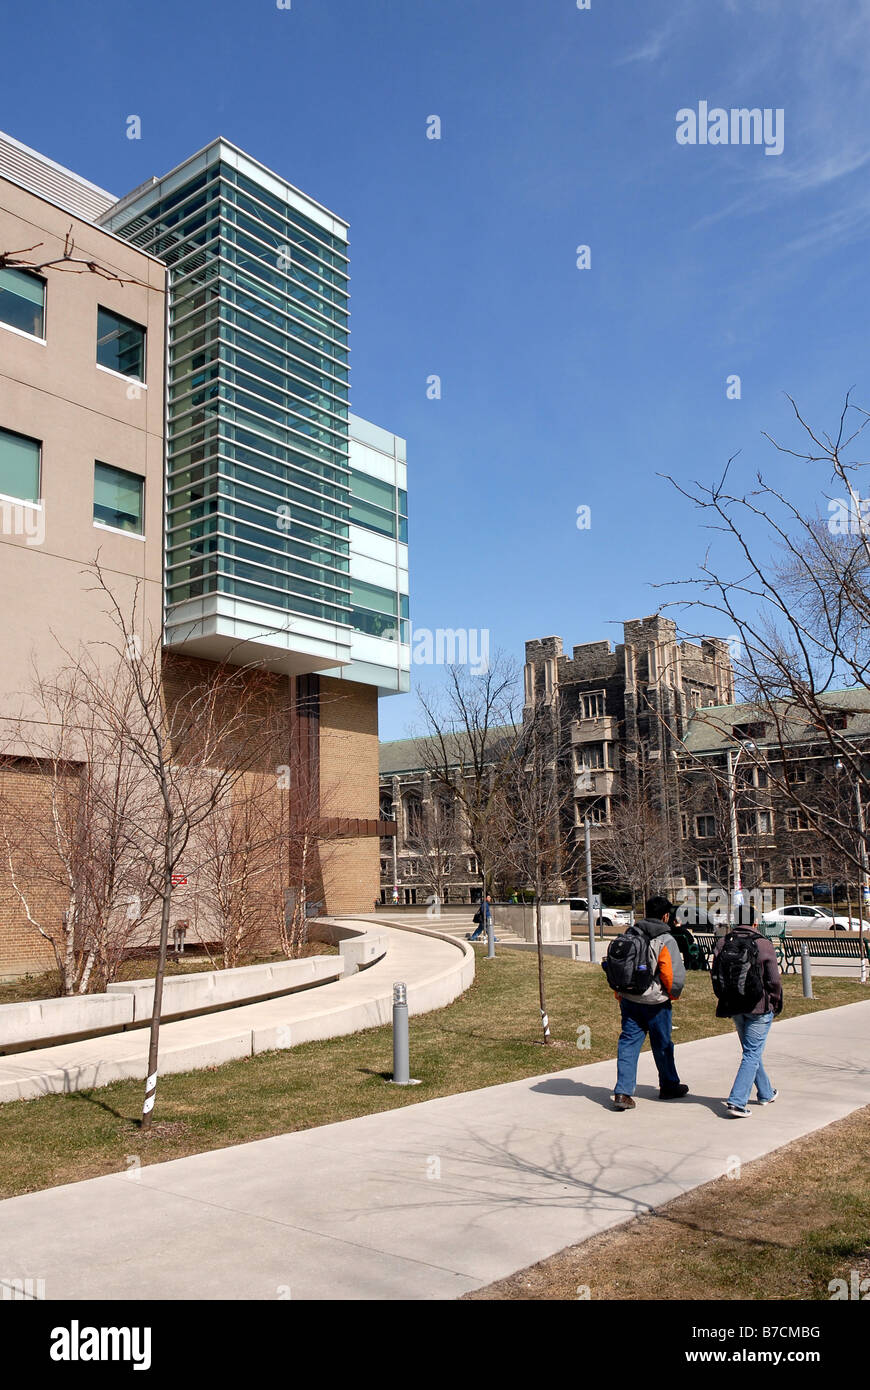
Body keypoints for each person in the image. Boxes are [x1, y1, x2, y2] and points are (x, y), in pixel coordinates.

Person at [607, 895, 688, 1111]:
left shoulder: (631, 933)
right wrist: (673, 994)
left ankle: (623, 1092)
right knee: (662, 1044)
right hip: (655, 1002)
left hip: (629, 999)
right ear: (665, 916)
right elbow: (672, 976)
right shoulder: (665, 939)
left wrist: (620, 993)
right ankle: (669, 1085)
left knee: (628, 1043)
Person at [712, 904, 783, 1117]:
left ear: (735, 921)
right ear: (755, 922)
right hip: (759, 1006)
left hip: (733, 1004)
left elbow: (715, 974)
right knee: (752, 1052)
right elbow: (773, 979)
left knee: (751, 1051)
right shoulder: (763, 943)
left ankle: (766, 1092)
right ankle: (737, 1102)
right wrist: (775, 1001)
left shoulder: (723, 942)